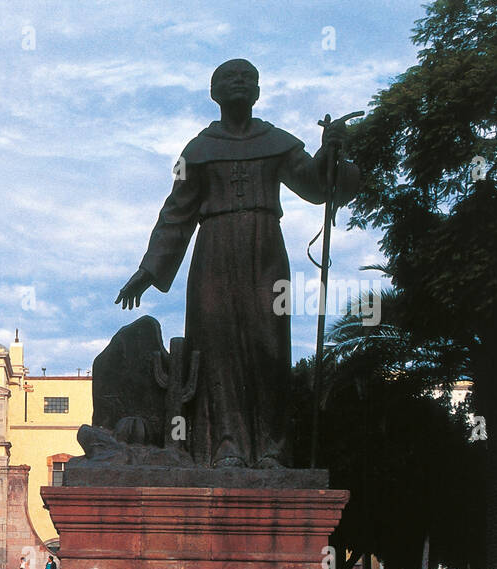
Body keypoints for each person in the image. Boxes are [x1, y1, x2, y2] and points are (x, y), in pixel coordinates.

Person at [116, 59, 359, 468]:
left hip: (266, 249)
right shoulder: (198, 150)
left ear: (259, 91)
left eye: (249, 77)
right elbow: (176, 212)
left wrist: (332, 152)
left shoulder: (277, 141)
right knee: (216, 348)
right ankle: (226, 445)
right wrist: (149, 269)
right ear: (215, 93)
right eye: (231, 77)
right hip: (214, 250)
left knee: (270, 346)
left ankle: (272, 449)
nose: (241, 83)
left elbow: (317, 186)